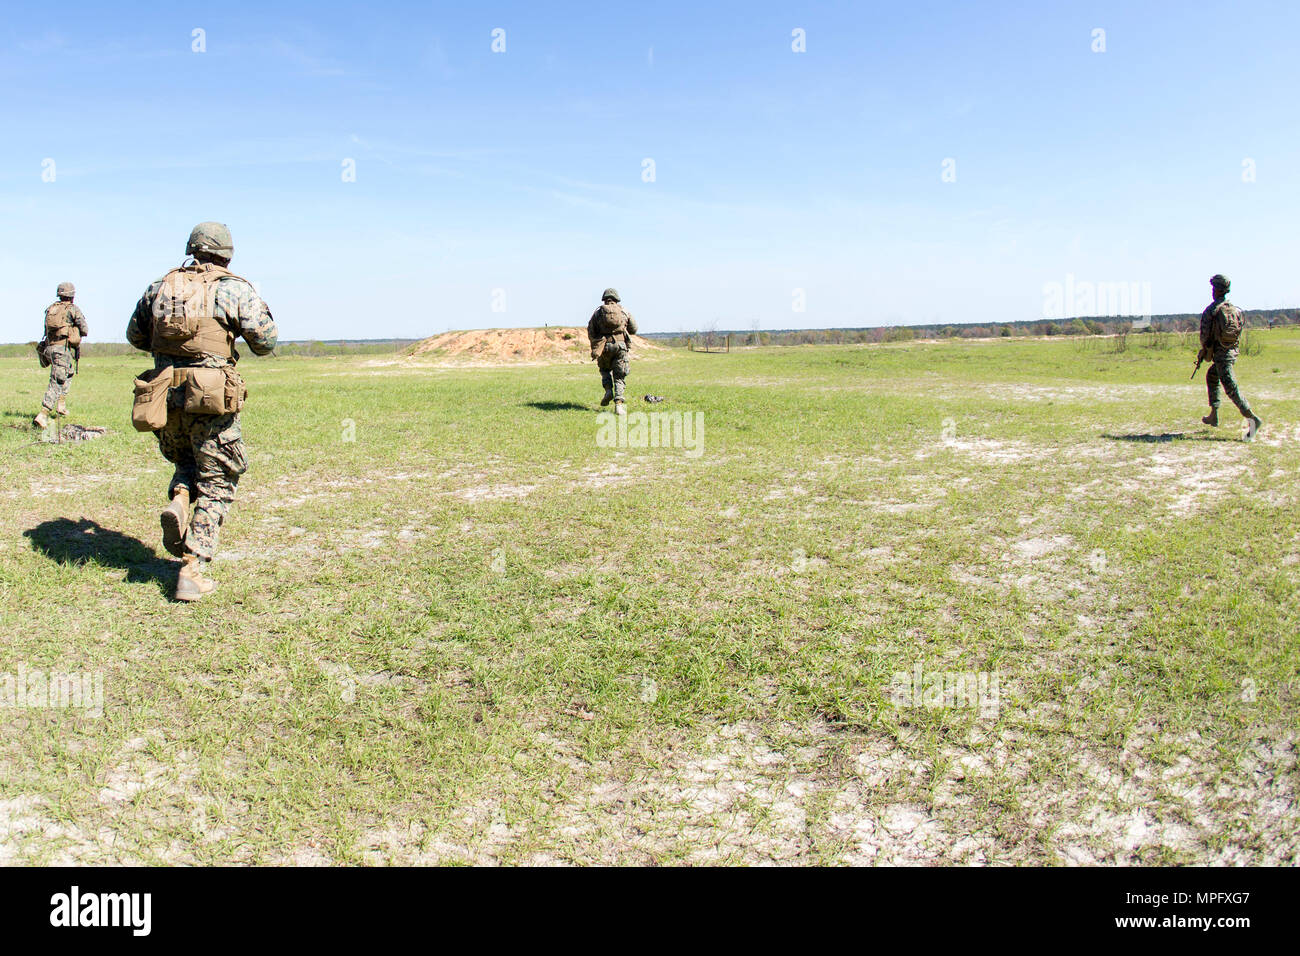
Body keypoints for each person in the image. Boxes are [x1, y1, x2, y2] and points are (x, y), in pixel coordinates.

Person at [126, 222, 277, 601]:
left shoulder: (160, 287)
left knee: (187, 464)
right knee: (219, 478)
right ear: (226, 253)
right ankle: (193, 568)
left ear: (192, 249)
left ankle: (179, 498)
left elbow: (135, 336)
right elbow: (265, 341)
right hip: (209, 399)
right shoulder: (235, 288)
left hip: (164, 397)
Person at [1197, 274, 1261, 440]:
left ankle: (1253, 420)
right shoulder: (1235, 309)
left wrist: (1204, 351)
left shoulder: (1212, 310)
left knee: (1231, 388)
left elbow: (1205, 336)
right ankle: (1214, 414)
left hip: (1221, 355)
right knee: (1212, 376)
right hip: (1231, 352)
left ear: (1216, 290)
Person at [34, 282, 89, 429]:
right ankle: (43, 414)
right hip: (61, 350)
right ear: (72, 296)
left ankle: (61, 404)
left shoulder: (51, 308)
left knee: (69, 372)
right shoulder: (72, 309)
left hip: (49, 348)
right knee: (57, 380)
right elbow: (84, 329)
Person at [586, 287, 638, 413]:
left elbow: (591, 330)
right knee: (619, 376)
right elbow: (634, 329)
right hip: (620, 346)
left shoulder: (598, 313)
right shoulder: (624, 311)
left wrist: (597, 343)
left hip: (605, 346)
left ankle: (608, 390)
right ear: (616, 299)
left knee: (604, 370)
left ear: (604, 299)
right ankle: (619, 405)